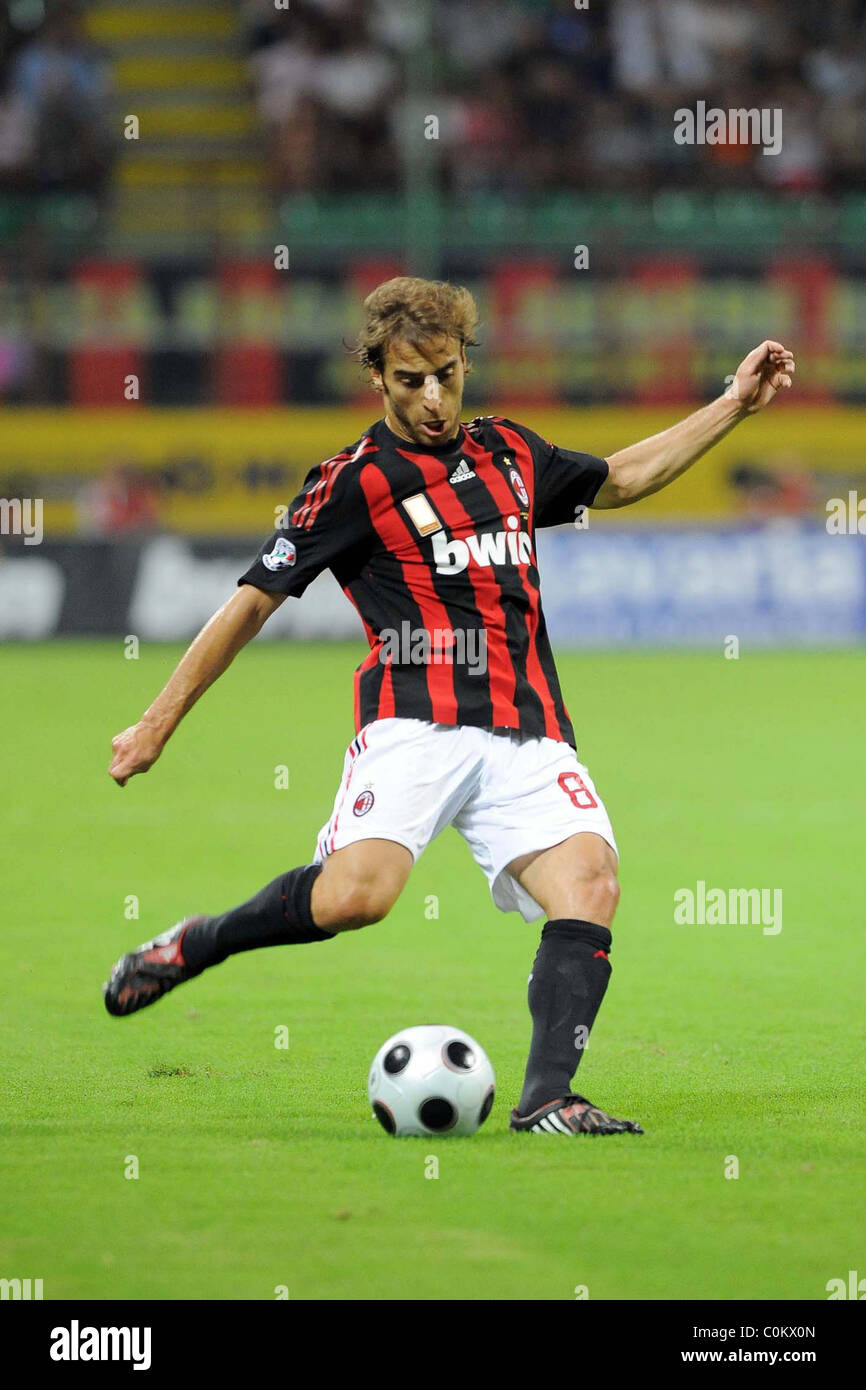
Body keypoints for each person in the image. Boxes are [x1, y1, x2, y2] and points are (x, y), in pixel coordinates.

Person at [103, 276, 795, 1137]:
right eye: (409, 380)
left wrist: (733, 405)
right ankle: (195, 944)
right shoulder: (353, 482)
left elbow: (618, 479)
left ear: (466, 362)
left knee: (590, 884)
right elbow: (252, 602)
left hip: (528, 730)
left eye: (445, 375)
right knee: (358, 897)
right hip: (415, 724)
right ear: (376, 376)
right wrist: (156, 724)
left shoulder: (510, 451)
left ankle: (548, 1098)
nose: (432, 399)